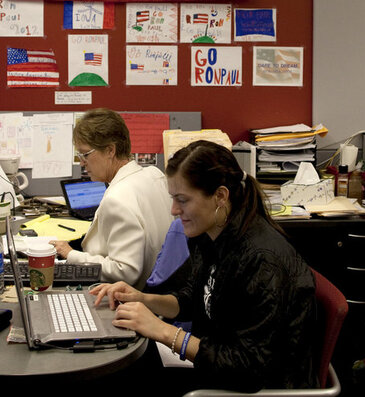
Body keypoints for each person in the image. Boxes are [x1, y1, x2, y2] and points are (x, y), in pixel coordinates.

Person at [91, 140, 317, 393]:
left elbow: (248, 368)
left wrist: (164, 332)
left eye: (183, 200)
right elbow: (194, 299)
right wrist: (142, 298)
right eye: (173, 199)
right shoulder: (211, 234)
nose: (174, 210)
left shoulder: (261, 259)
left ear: (220, 196)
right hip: (217, 363)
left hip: (255, 385)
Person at [49, 108, 173, 289]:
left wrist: (71, 254)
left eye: (85, 154)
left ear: (110, 150)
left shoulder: (117, 199)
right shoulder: (154, 174)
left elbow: (125, 271)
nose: (82, 162)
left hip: (131, 299)